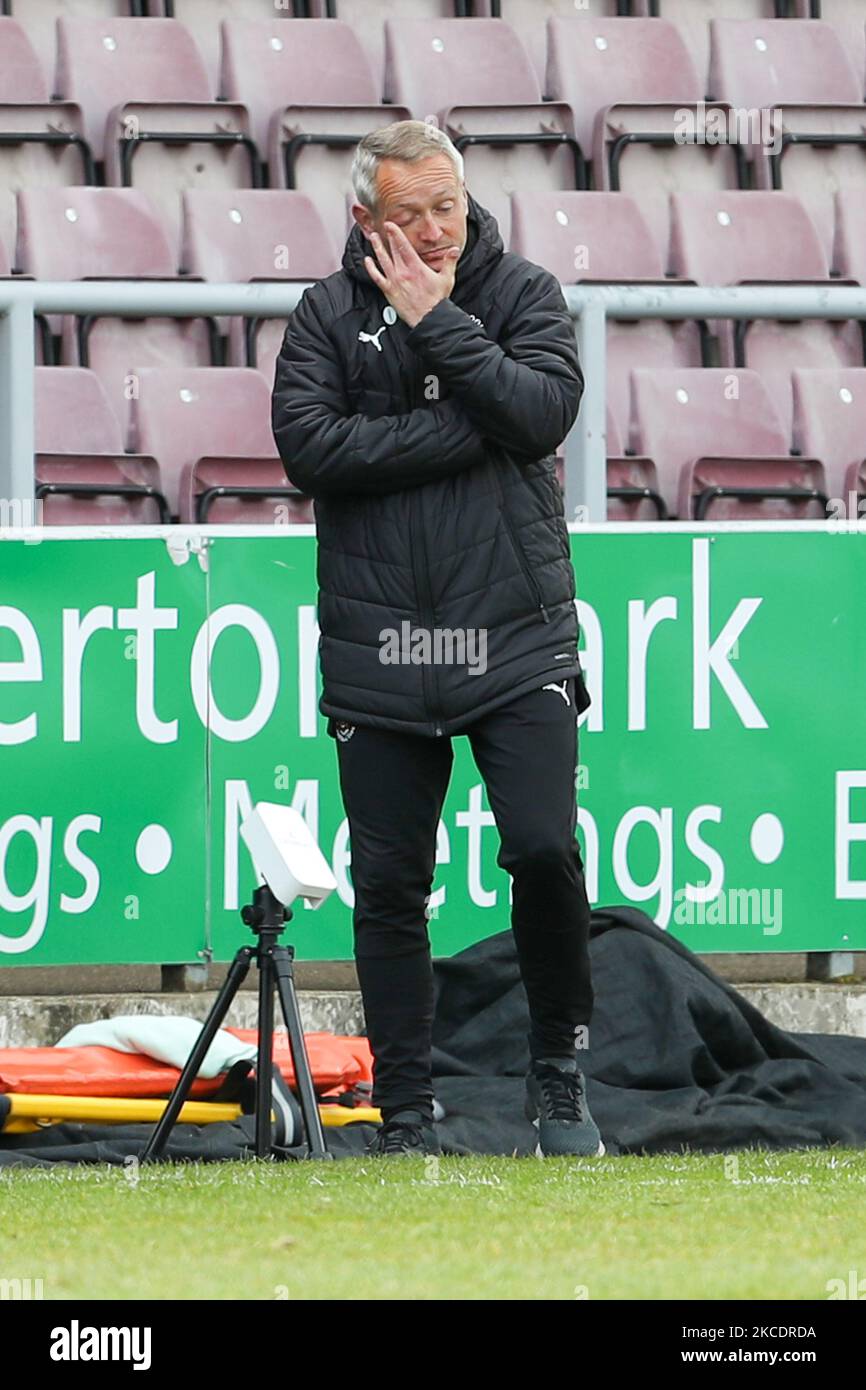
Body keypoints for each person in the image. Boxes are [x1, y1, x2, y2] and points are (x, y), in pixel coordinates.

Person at [271, 119, 603, 1159]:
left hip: (514, 636)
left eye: (445, 207)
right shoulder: (323, 314)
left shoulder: (523, 295)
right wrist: (465, 428)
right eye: (406, 214)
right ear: (362, 217)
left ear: (467, 199)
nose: (430, 231)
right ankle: (407, 1109)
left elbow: (540, 410)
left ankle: (557, 1070)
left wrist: (439, 323)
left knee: (544, 849)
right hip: (381, 644)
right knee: (390, 885)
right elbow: (309, 448)